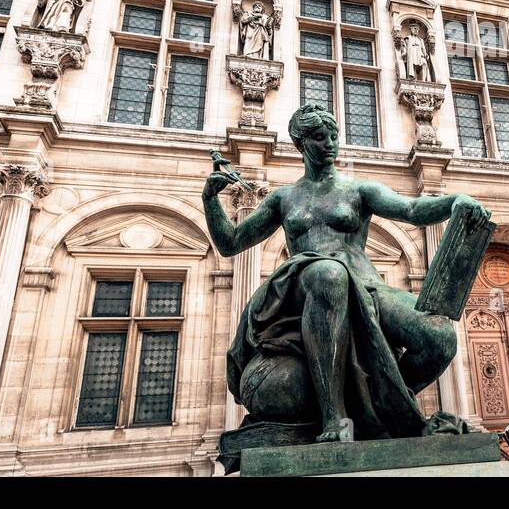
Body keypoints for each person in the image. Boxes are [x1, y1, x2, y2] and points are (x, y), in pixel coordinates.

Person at [202, 104, 490, 442]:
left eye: (334, 136)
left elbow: (411, 209)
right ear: (301, 144)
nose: (330, 144)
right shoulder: (284, 198)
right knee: (328, 274)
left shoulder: (358, 190)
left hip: (364, 282)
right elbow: (232, 241)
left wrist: (455, 201)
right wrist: (210, 199)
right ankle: (333, 417)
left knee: (439, 338)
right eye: (320, 138)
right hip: (306, 281)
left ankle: (387, 401)